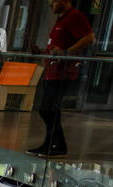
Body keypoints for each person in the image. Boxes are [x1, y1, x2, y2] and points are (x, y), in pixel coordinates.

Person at [30, 0, 94, 157]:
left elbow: (89, 38)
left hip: (62, 72)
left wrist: (66, 53)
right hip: (52, 70)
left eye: (53, 0)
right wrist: (42, 53)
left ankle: (57, 144)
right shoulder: (61, 20)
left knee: (48, 109)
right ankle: (52, 144)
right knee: (49, 110)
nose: (50, 4)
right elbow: (56, 48)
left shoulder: (75, 17)